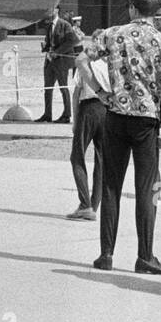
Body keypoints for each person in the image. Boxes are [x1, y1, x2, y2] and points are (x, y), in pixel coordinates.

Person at [77, 0, 161, 275]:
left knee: (111, 186)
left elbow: (82, 60)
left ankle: (106, 254)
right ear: (155, 11)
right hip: (146, 121)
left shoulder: (112, 34)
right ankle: (144, 256)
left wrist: (100, 91)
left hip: (115, 116)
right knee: (146, 189)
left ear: (133, 8)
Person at [65, 38, 106, 221]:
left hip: (89, 107)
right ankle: (94, 204)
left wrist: (75, 119)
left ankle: (85, 204)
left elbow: (76, 92)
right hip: (107, 108)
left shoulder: (85, 64)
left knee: (77, 155)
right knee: (102, 158)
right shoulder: (109, 63)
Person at [37, 6, 77, 123]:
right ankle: (47, 114)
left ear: (57, 10)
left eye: (52, 9)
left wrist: (57, 52)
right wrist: (45, 47)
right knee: (48, 89)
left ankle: (66, 115)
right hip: (50, 62)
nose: (50, 12)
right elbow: (50, 42)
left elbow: (72, 41)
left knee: (63, 87)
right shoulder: (49, 26)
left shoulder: (65, 25)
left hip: (61, 62)